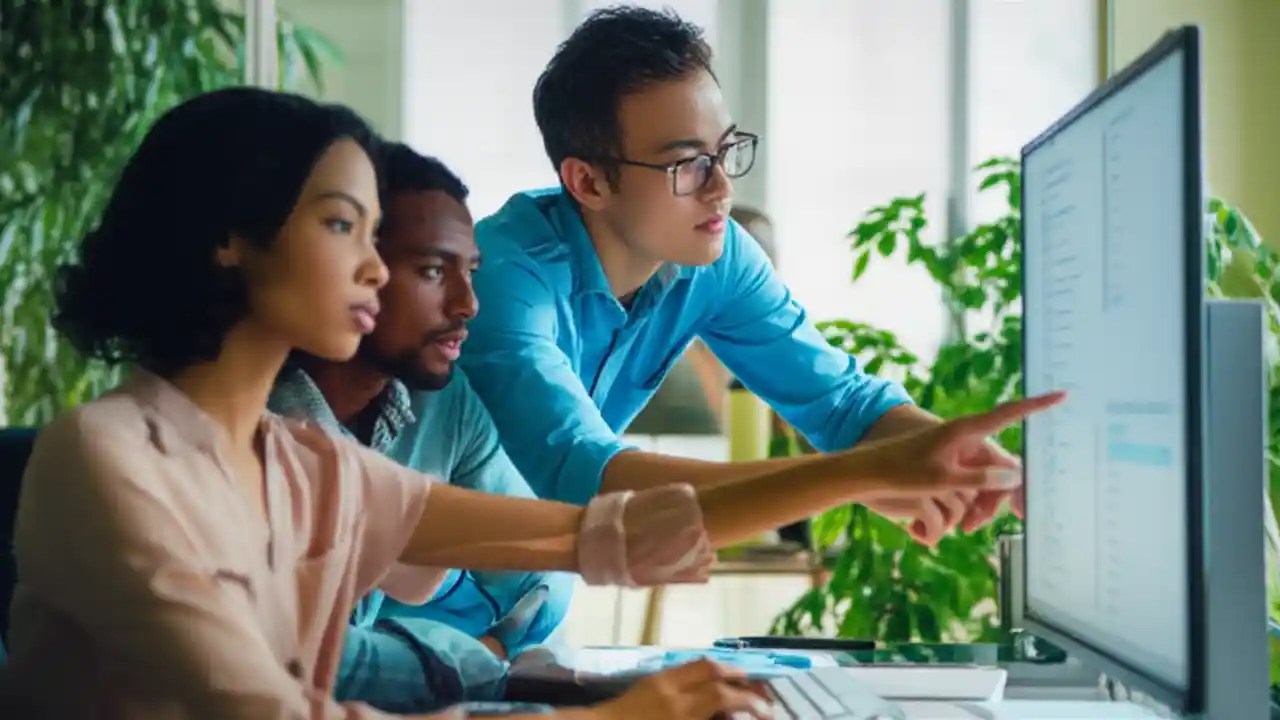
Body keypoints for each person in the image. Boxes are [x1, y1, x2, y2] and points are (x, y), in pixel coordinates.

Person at [0, 86, 1060, 719]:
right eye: (342, 228)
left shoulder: (304, 467)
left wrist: (874, 466)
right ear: (230, 238)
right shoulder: (110, 458)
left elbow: (603, 535)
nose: (377, 269)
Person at [462, 5, 1018, 550]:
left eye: (724, 151)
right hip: (412, 611)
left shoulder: (716, 255)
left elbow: (843, 404)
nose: (722, 188)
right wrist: (857, 476)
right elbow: (589, 477)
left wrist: (981, 464)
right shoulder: (501, 277)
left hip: (527, 610)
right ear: (587, 182)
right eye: (687, 163)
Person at [268, 144, 574, 712]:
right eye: (433, 271)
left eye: (470, 272)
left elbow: (543, 574)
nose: (469, 304)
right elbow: (317, 667)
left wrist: (482, 648)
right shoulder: (259, 425)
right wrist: (471, 663)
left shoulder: (440, 399)